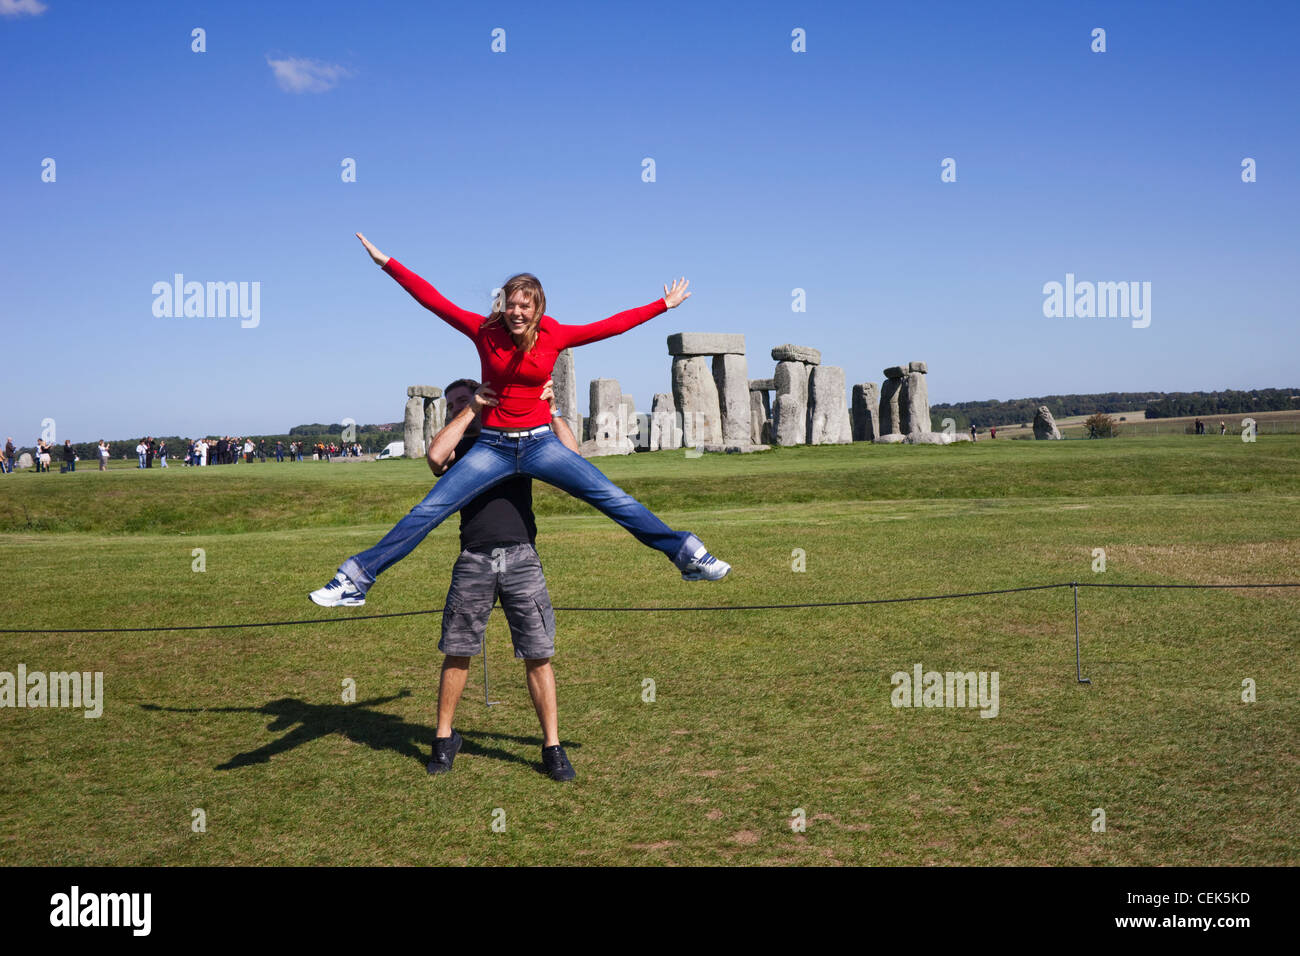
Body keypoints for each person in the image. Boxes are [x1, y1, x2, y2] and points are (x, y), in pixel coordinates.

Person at [310, 233, 729, 608]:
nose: (515, 312)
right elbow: (432, 300)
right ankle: (356, 579)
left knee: (613, 498)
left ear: (537, 307)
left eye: (524, 305)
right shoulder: (484, 331)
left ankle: (687, 554)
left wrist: (663, 305)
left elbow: (611, 326)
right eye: (510, 303)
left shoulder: (554, 334)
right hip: (492, 445)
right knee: (430, 509)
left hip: (540, 443)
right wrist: (388, 263)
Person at [427, 376, 577, 780]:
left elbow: (572, 458)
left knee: (537, 651)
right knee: (458, 649)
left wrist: (552, 410)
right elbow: (434, 457)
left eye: (466, 399)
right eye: (454, 403)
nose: (460, 406)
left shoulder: (516, 440)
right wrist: (470, 410)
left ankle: (553, 747)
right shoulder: (458, 447)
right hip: (474, 556)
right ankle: (444, 738)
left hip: (521, 554)